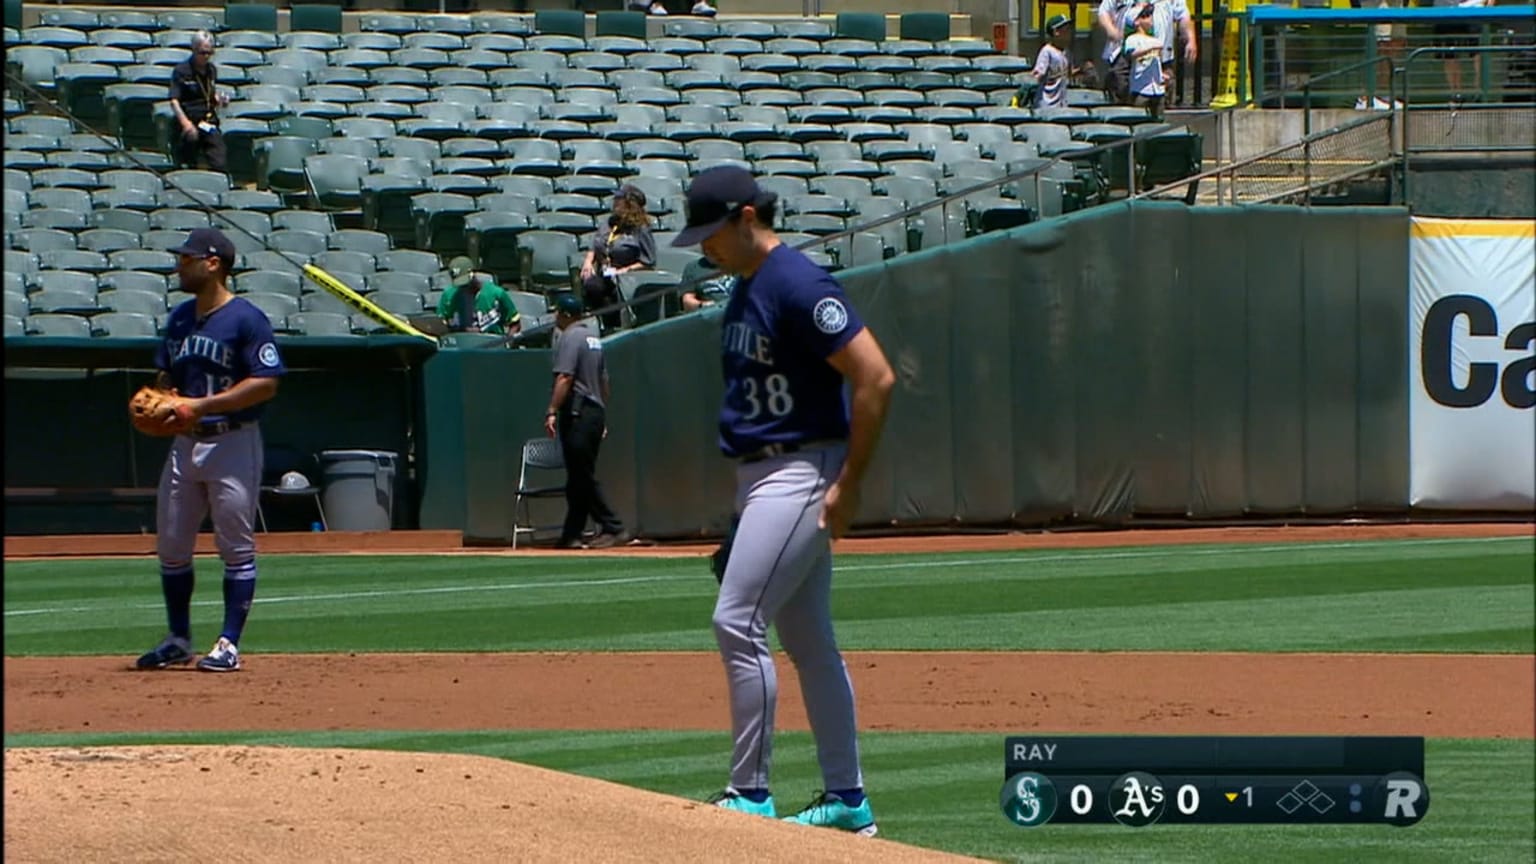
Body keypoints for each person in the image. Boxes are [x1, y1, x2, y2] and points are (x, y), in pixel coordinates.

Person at [671, 166, 896, 834]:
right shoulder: (746, 288)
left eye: (712, 233)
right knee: (807, 639)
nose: (704, 247)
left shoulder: (797, 282)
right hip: (765, 478)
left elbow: (876, 377)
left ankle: (751, 792)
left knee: (736, 622)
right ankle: (848, 801)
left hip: (801, 471)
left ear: (746, 217)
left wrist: (847, 486)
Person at [134, 227, 286, 673]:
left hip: (233, 441)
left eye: (187, 259)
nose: (180, 265)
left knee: (235, 546)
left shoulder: (246, 318)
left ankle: (228, 644)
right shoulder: (180, 318)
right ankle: (178, 639)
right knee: (172, 546)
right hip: (185, 445)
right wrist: (163, 402)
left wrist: (200, 405)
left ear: (213, 263)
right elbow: (167, 376)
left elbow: (266, 383)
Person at [544, 293, 626, 550]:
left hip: (578, 412)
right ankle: (572, 533)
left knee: (582, 475)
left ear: (566, 315)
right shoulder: (593, 338)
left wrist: (552, 410)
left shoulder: (570, 337)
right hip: (594, 411)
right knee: (578, 476)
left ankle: (613, 526)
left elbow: (565, 378)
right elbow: (604, 382)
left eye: (558, 312)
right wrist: (602, 414)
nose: (556, 317)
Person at [580, 183, 656, 335]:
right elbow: (595, 245)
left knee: (612, 296)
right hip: (606, 275)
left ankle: (615, 329)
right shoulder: (608, 223)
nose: (614, 202)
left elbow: (649, 262)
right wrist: (588, 261)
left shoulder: (641, 229)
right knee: (592, 286)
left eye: (618, 199)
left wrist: (624, 271)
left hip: (628, 278)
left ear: (629, 204)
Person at [169, 30, 229, 172]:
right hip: (189, 120)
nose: (206, 56)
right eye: (202, 53)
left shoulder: (211, 70)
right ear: (194, 50)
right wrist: (186, 124)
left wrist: (219, 100)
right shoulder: (181, 71)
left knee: (219, 159)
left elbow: (209, 96)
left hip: (208, 121)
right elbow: (174, 101)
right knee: (191, 141)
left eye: (209, 53)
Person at [436, 256, 521, 336]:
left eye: (466, 282)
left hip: (492, 347)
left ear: (473, 274)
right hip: (461, 347)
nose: (464, 287)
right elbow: (440, 325)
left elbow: (515, 323)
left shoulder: (496, 294)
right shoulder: (449, 296)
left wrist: (508, 342)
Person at [1021, 15, 1081, 110]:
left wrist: (1081, 71)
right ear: (1056, 32)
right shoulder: (1046, 51)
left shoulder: (1067, 52)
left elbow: (1068, 74)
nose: (1069, 32)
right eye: (1066, 29)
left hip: (1061, 105)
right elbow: (1038, 74)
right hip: (1046, 105)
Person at [1126, 5, 1169, 120]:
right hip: (1140, 90)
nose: (1150, 19)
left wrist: (1161, 75)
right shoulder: (1132, 39)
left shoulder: (1154, 40)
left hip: (1157, 90)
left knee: (1159, 120)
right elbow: (1131, 55)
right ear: (1136, 22)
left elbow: (1156, 60)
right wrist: (1150, 48)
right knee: (1139, 119)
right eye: (1145, 16)